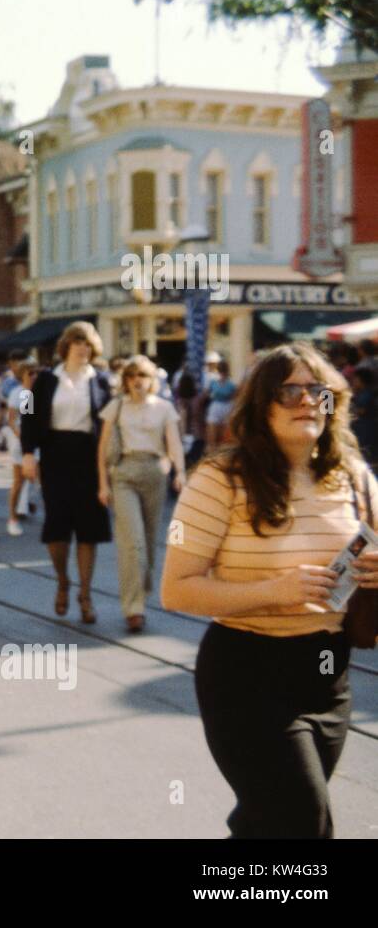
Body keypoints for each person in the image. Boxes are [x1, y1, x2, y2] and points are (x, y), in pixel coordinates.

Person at [161, 342, 377, 838]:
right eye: (289, 391)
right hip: (245, 674)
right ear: (261, 404)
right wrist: (274, 590)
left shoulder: (355, 478)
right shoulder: (221, 478)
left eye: (317, 391)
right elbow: (176, 590)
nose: (306, 401)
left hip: (327, 674)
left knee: (269, 827)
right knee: (303, 821)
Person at [20, 321, 113, 622]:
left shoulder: (101, 381)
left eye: (87, 343)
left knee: (89, 529)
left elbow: (109, 422)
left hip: (89, 455)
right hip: (55, 454)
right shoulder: (45, 379)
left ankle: (85, 595)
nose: (83, 348)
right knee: (57, 527)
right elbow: (28, 415)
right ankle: (62, 581)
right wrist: (27, 454)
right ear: (66, 347)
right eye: (77, 342)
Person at [96, 355, 185, 633]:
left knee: (147, 541)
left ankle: (140, 587)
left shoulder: (164, 408)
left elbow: (174, 443)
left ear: (152, 380)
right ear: (125, 381)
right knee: (133, 542)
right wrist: (103, 484)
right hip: (124, 473)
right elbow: (102, 449)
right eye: (132, 376)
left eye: (143, 376)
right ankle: (134, 608)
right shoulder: (116, 406)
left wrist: (180, 471)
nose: (138, 381)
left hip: (154, 473)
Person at [5, 360, 39, 535]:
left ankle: (29, 504)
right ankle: (12, 518)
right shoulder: (19, 393)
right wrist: (24, 438)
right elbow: (14, 420)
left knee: (39, 479)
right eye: (30, 373)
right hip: (21, 441)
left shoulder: (36, 392)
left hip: (36, 441)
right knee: (19, 481)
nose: (34, 376)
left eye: (35, 373)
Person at [204, 357, 237, 449]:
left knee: (214, 436)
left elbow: (206, 394)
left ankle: (213, 450)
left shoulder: (215, 382)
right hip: (226, 407)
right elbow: (235, 397)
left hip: (218, 406)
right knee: (221, 436)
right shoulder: (230, 383)